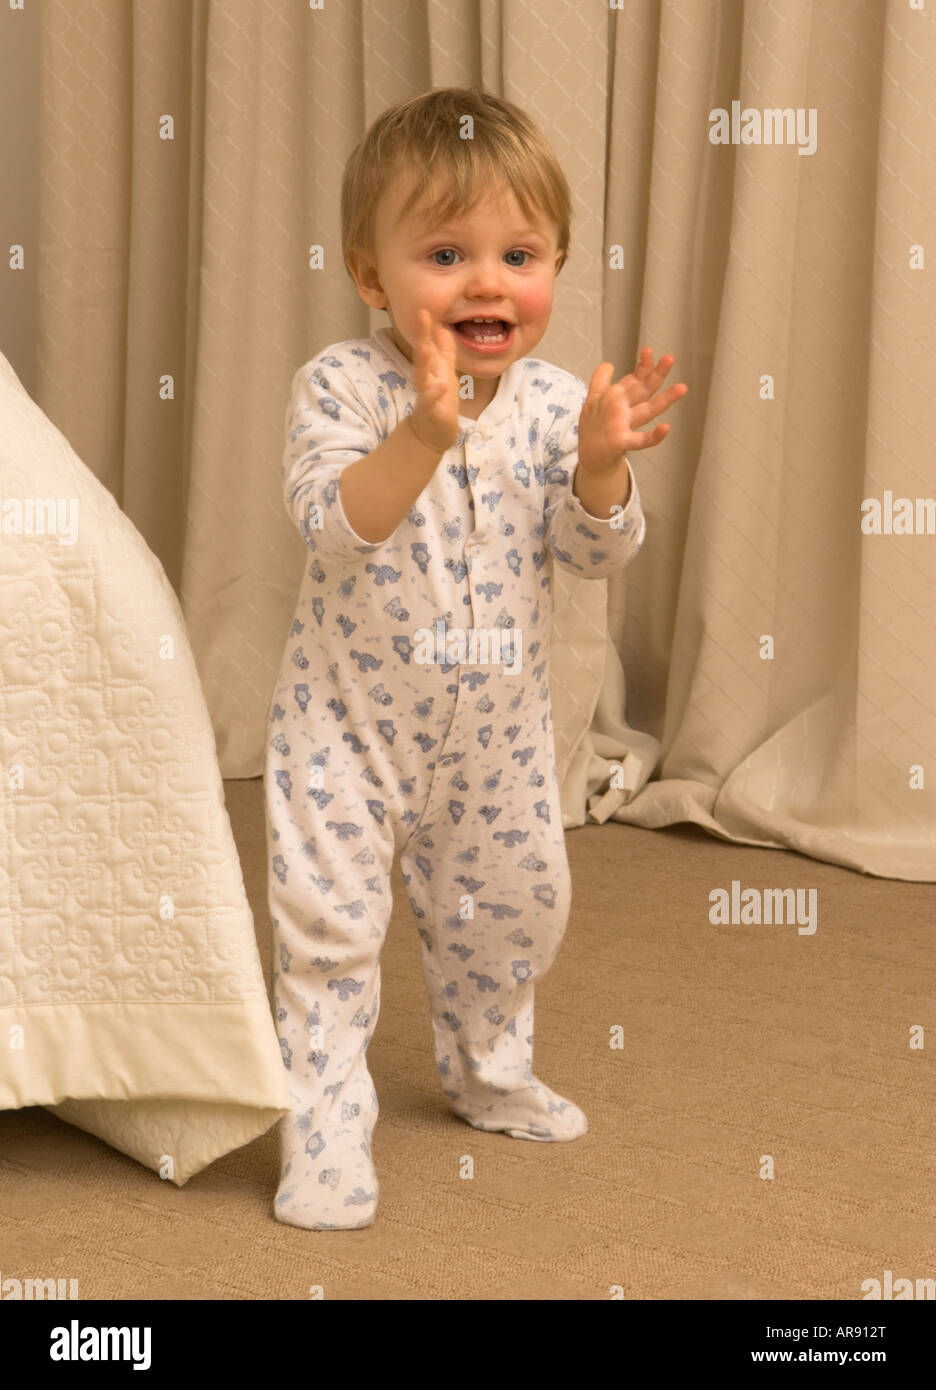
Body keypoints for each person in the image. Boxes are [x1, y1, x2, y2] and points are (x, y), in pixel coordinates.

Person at [264, 85, 687, 1230]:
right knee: (327, 930)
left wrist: (601, 466)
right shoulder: (343, 387)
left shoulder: (555, 405)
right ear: (372, 274)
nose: (488, 282)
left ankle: (486, 1069)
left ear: (555, 265)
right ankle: (325, 1125)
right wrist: (424, 431)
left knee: (515, 911)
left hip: (497, 740)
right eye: (446, 253)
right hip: (344, 728)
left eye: (520, 253)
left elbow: (591, 553)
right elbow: (332, 526)